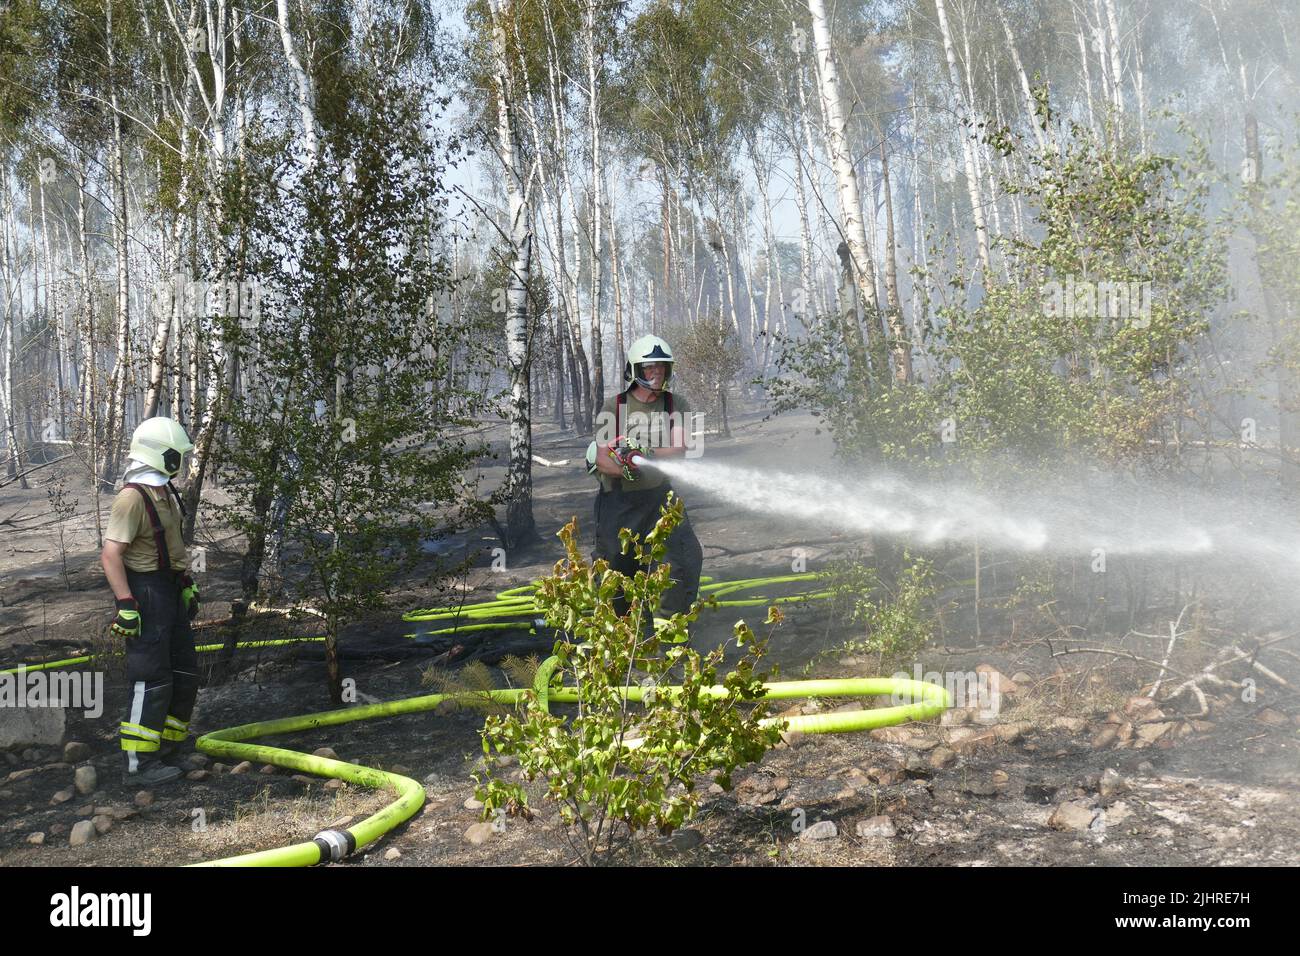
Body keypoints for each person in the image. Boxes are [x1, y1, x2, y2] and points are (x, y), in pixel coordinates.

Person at [100, 417, 201, 786]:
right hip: (145, 594)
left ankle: (171, 750)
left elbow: (170, 546)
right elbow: (111, 555)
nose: (181, 461)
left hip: (169, 589)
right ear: (160, 454)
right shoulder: (131, 498)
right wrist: (126, 603)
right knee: (151, 678)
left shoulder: (163, 491)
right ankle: (139, 764)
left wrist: (185, 582)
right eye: (176, 454)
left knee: (185, 672)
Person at [587, 334, 704, 633]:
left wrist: (645, 453)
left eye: (662, 368)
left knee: (678, 562)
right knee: (616, 568)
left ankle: (671, 638)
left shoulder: (676, 404)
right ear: (635, 370)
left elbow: (680, 449)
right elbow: (601, 459)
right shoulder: (614, 406)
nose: (656, 374)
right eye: (649, 368)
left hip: (660, 500)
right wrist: (625, 468)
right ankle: (621, 639)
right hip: (619, 505)